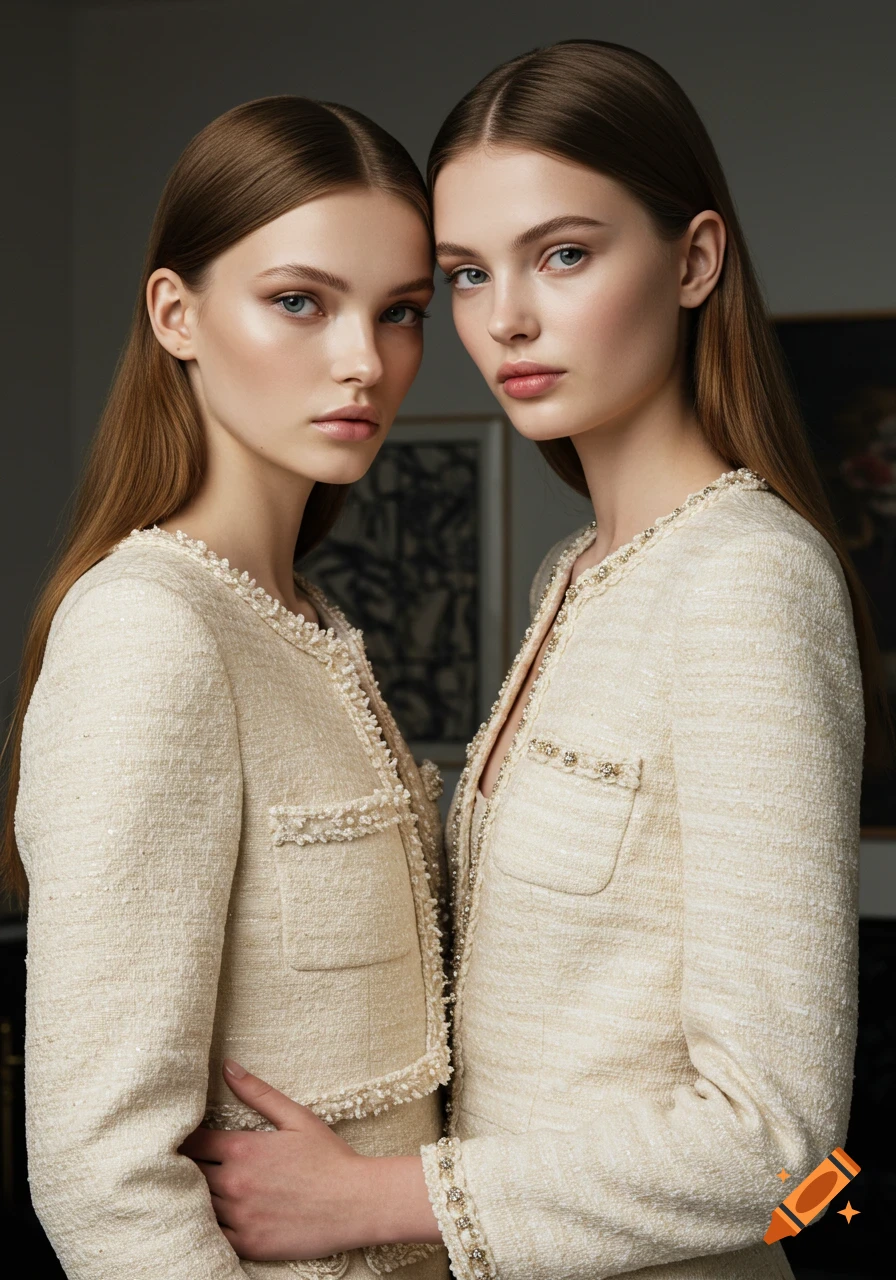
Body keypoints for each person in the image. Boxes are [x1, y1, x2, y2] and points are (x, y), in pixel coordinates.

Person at [186, 40, 883, 1280]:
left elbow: (778, 1151)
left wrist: (371, 1196)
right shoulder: (569, 575)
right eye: (463, 273)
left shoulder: (746, 582)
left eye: (563, 253)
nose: (502, 316)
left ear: (692, 258)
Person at [5, 96, 451, 1279]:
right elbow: (100, 1169)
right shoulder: (150, 629)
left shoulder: (303, 624)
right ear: (177, 312)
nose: (364, 358)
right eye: (299, 299)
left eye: (400, 311)